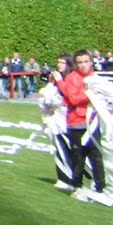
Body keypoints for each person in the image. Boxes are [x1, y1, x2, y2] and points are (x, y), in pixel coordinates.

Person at [58, 50, 105, 193]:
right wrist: (90, 95)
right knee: (78, 156)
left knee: (96, 155)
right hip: (76, 122)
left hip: (92, 122)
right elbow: (73, 99)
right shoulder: (72, 78)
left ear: (91, 62)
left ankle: (101, 187)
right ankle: (76, 185)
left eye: (86, 62)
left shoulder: (95, 78)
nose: (83, 65)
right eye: (80, 62)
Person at [37, 56, 74, 188]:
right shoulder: (54, 77)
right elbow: (47, 94)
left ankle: (73, 177)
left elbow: (70, 96)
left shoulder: (70, 78)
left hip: (67, 116)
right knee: (58, 145)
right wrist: (47, 106)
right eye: (58, 62)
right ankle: (63, 177)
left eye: (62, 62)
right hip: (55, 116)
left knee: (69, 146)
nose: (59, 65)